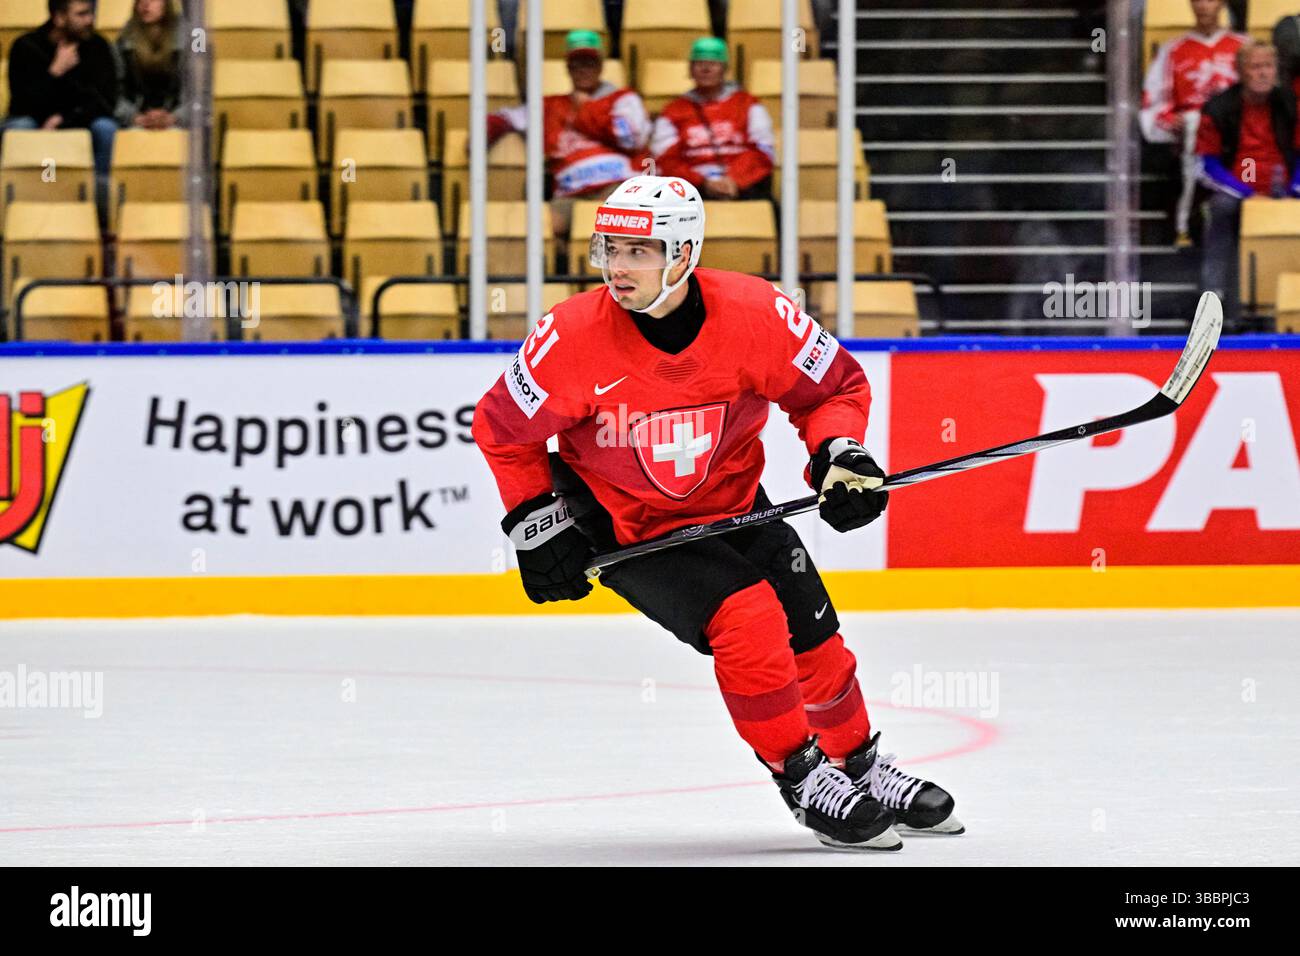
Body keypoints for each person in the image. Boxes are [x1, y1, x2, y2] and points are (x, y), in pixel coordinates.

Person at [471, 175, 962, 851]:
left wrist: (840, 453)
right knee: (750, 621)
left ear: (683, 253)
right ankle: (800, 772)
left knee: (817, 644)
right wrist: (535, 521)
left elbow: (831, 389)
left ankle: (859, 764)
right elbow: (504, 429)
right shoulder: (571, 338)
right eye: (609, 247)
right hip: (631, 529)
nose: (617, 266)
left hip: (735, 507)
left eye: (638, 251)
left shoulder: (755, 314)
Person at [486, 29, 650, 238]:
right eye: (577, 64)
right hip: (571, 193)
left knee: (609, 223)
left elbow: (632, 140)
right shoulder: (552, 105)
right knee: (538, 229)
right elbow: (507, 117)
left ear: (600, 66)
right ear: (568, 68)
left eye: (589, 63)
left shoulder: (623, 100)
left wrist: (586, 110)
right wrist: (485, 131)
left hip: (616, 186)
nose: (583, 70)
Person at [1196, 41, 1300, 315]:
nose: (1263, 73)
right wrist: (1247, 194)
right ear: (1240, 71)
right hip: (1238, 192)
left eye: (1268, 66)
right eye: (1255, 67)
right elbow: (1207, 164)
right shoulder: (1217, 108)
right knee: (1221, 208)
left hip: (1285, 188)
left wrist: (1294, 189)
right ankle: (1214, 301)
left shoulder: (1290, 103)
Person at [1140, 0, 1248, 246]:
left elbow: (1262, 99)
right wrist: (1169, 120)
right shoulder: (1173, 50)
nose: (1203, 6)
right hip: (1190, 142)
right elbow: (1152, 104)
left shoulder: (1244, 47)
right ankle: (1185, 230)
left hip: (1239, 147)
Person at [648, 36, 775, 200]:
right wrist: (702, 183)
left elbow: (763, 150)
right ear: (690, 69)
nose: (706, 69)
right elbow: (665, 159)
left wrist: (735, 179)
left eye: (713, 63)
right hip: (692, 189)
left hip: (742, 185)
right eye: (699, 63)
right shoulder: (673, 111)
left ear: (725, 68)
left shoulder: (748, 104)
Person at [5, 0, 119, 177]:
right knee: (21, 126)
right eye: (82, 14)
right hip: (37, 120)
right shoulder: (26, 47)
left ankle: (99, 194)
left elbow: (104, 102)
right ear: (59, 18)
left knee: (105, 128)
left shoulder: (98, 46)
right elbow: (21, 104)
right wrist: (55, 72)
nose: (90, 20)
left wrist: (63, 120)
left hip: (80, 119)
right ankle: (28, 191)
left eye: (91, 13)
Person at [114, 0, 183, 131]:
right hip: (137, 120)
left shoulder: (196, 35)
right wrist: (134, 117)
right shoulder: (123, 39)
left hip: (180, 121)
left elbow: (200, 93)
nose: (145, 4)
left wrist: (175, 117)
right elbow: (115, 91)